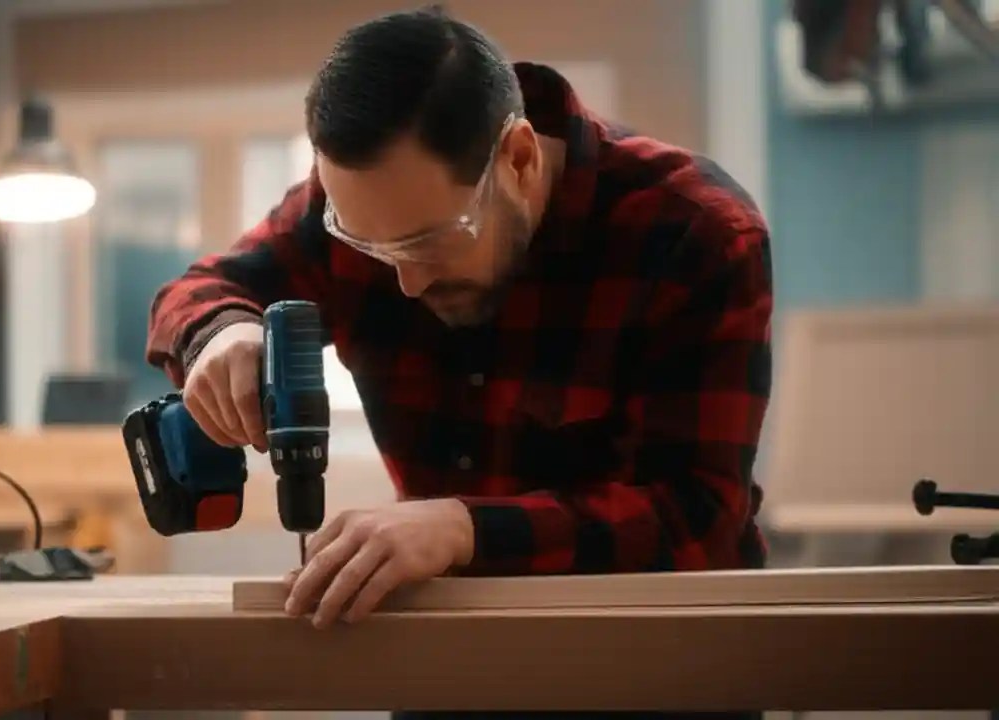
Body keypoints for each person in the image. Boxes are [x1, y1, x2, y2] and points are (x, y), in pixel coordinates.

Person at [147, 7, 771, 703]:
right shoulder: (368, 207)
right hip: (448, 665)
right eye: (371, 250)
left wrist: (464, 526)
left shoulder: (696, 231)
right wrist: (224, 331)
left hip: (658, 670)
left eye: (426, 244)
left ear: (521, 159)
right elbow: (196, 290)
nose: (405, 282)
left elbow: (696, 517)